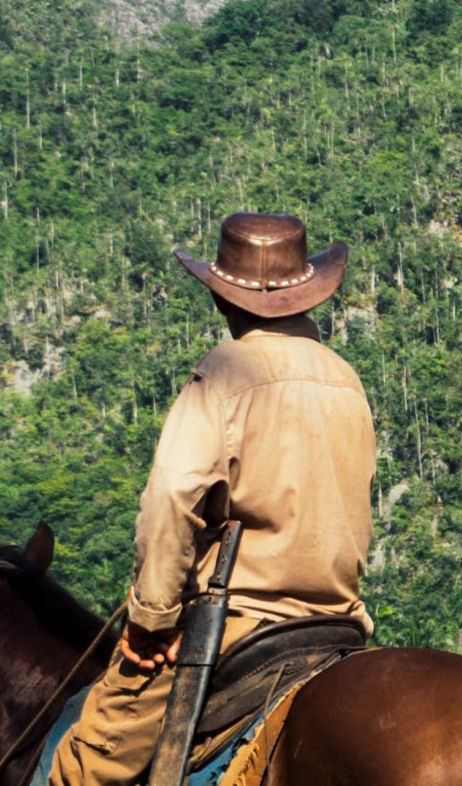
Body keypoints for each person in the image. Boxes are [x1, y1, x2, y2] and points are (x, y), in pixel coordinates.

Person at [49, 212, 376, 786]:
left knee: (83, 769)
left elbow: (173, 497)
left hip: (239, 625)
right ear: (306, 293)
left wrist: (151, 621)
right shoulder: (346, 378)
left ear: (223, 299)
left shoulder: (224, 372)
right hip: (337, 625)